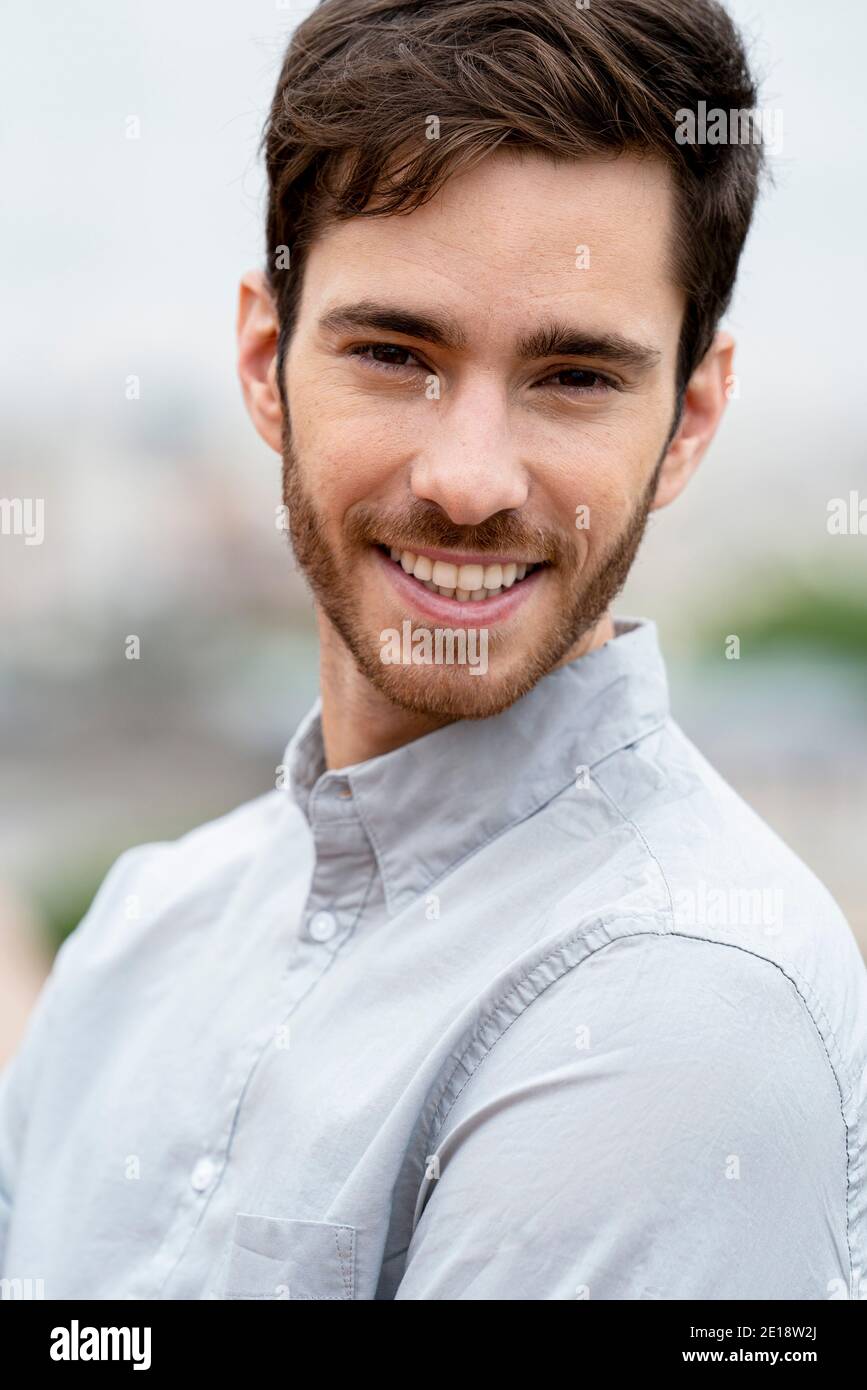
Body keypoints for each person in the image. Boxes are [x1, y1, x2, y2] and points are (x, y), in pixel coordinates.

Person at [2, 0, 865, 1301]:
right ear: (263, 362)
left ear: (689, 419)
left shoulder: (684, 1012)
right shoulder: (144, 927)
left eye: (575, 376)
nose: (468, 481)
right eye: (395, 354)